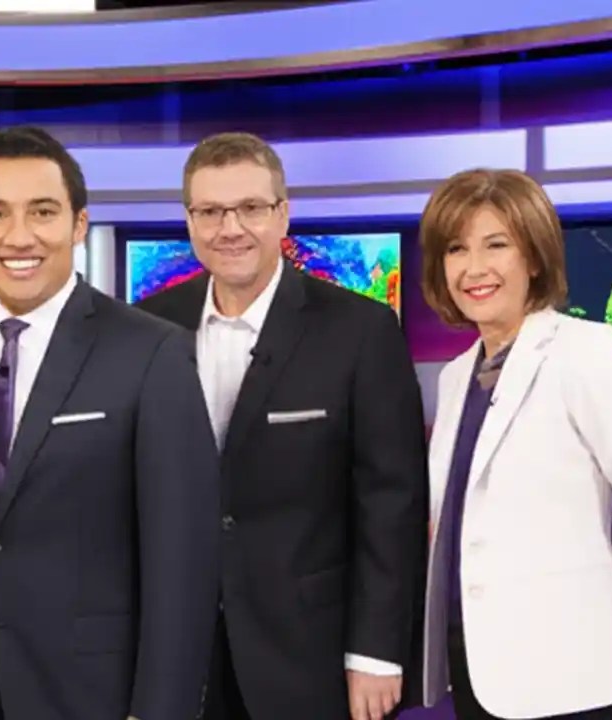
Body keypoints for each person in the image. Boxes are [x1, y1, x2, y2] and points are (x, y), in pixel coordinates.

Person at [0, 126, 220, 720]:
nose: (19, 236)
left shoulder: (149, 351)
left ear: (78, 224)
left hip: (93, 692)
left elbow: (182, 558)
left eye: (42, 212)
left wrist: (161, 708)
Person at [136, 132, 429, 720]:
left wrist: (376, 651)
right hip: (182, 657)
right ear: (189, 221)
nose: (230, 228)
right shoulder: (148, 327)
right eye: (210, 211)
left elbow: (391, 503)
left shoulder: (361, 331)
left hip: (310, 653)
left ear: (282, 215)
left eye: (250, 207)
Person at [417, 168, 612, 720]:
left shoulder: (585, 352)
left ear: (534, 257)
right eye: (456, 249)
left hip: (571, 676)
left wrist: (608, 612)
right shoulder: (455, 377)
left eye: (496, 245)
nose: (474, 268)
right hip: (477, 669)